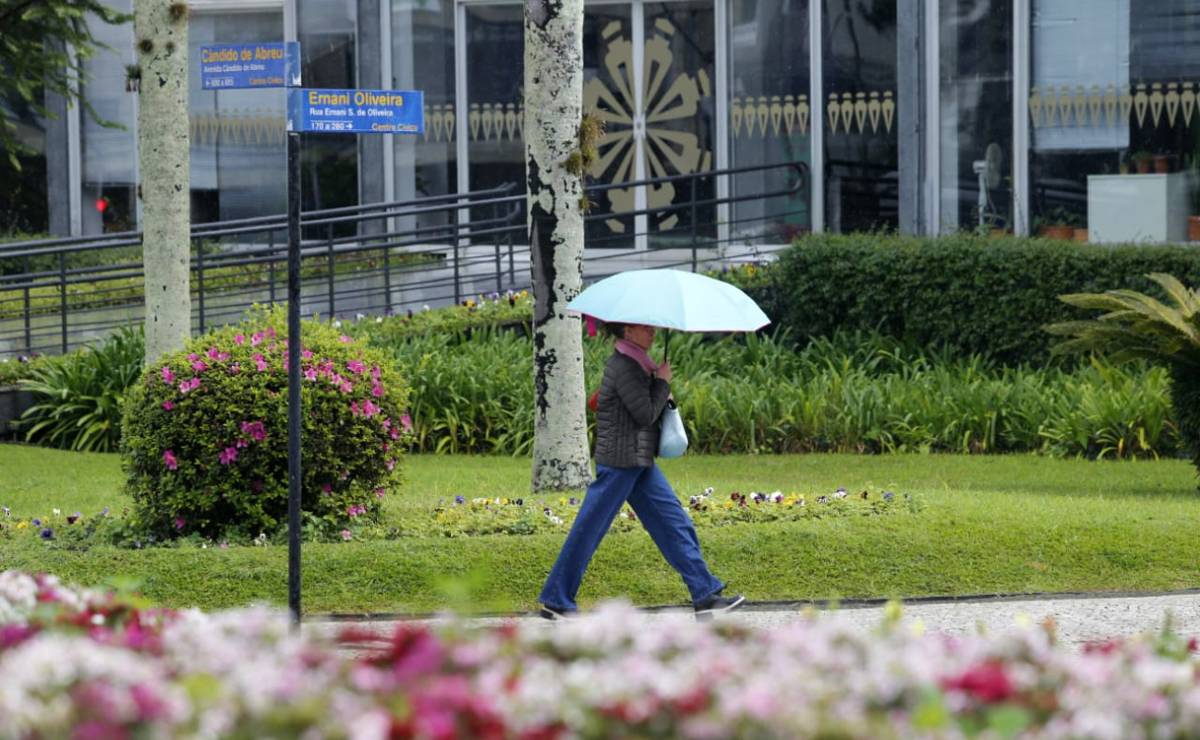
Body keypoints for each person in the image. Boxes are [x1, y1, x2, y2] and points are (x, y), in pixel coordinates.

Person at [538, 321, 745, 620]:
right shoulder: (624, 365)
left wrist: (658, 383)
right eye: (644, 327)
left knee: (674, 522)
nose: (652, 332)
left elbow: (644, 408)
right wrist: (662, 383)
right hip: (621, 462)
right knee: (589, 529)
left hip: (639, 460)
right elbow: (644, 413)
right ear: (627, 331)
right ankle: (556, 598)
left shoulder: (637, 364)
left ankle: (705, 594)